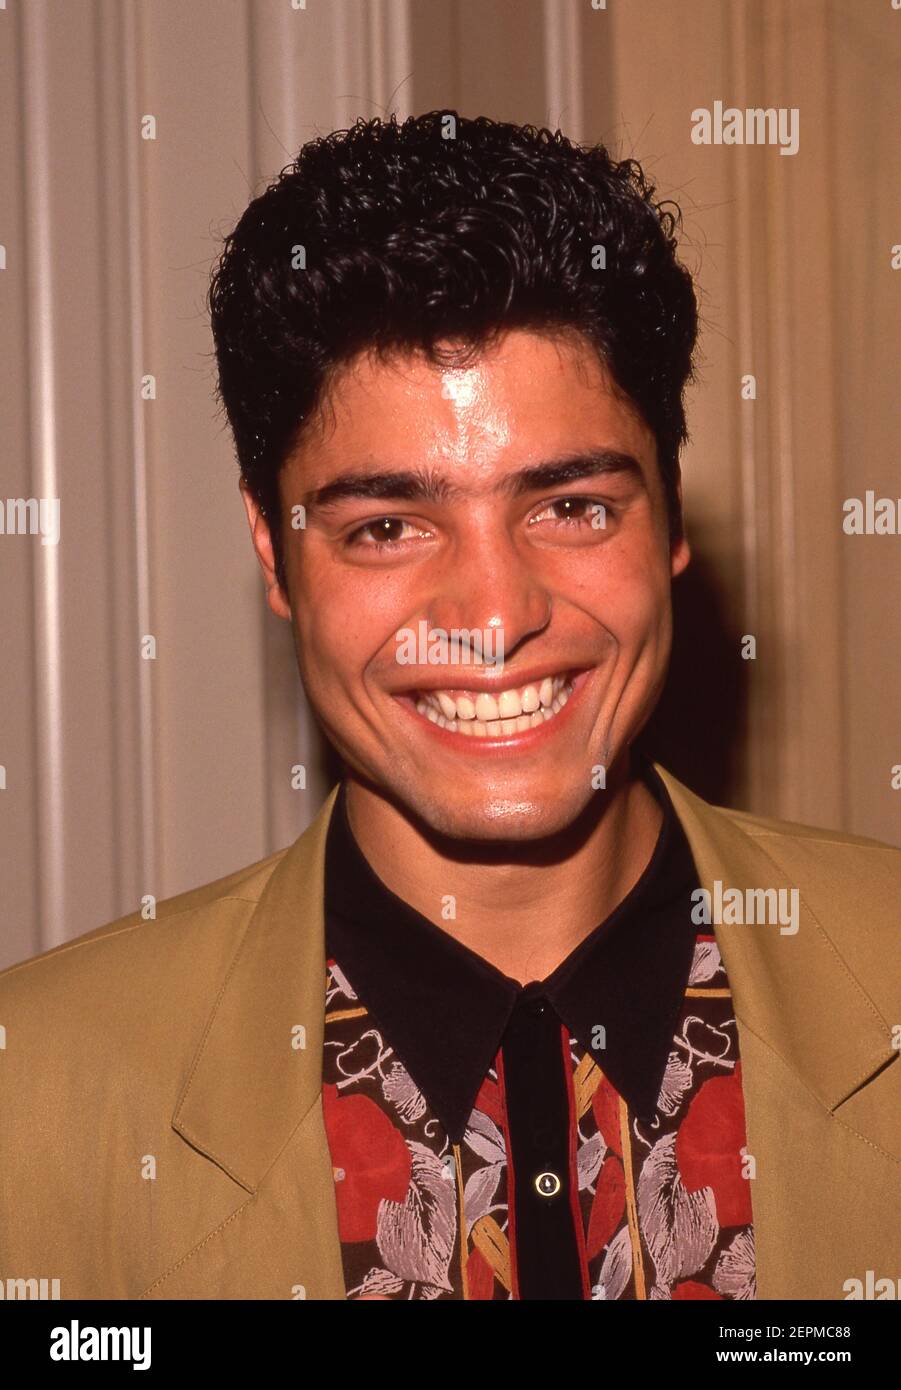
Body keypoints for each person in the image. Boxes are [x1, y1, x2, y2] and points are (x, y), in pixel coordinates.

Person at [1, 112, 898, 1302]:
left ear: (670, 515)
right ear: (275, 555)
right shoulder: (37, 1103)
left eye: (571, 505)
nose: (490, 613)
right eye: (385, 526)